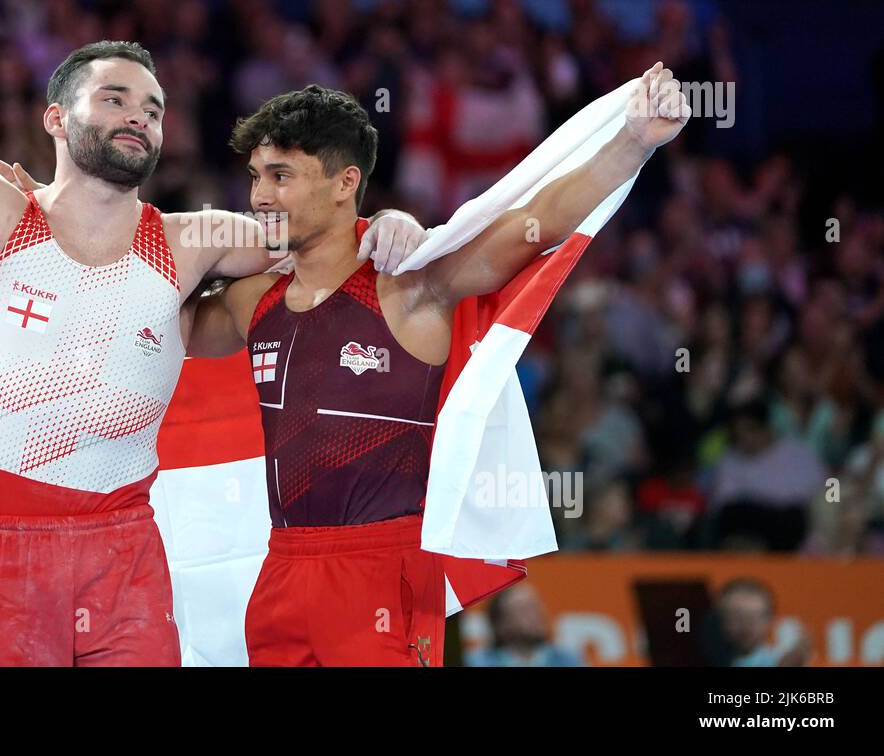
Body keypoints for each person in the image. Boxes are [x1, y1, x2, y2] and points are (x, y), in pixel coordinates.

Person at [0, 0, 425, 666]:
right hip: (5, 556)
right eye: (114, 99)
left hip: (124, 557)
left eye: (152, 108)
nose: (138, 118)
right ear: (57, 119)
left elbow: (318, 237)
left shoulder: (191, 240)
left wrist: (387, 227)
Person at [185, 66, 691, 666]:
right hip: (279, 574)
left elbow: (534, 222)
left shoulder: (412, 289)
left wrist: (632, 141)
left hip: (383, 573)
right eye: (255, 178)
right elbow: (154, 311)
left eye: (280, 176)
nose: (260, 196)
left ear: (346, 181)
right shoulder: (251, 302)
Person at [465, 582, 583, 666]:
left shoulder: (567, 660)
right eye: (524, 610)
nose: (537, 615)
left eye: (536, 607)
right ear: (501, 624)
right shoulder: (476, 662)